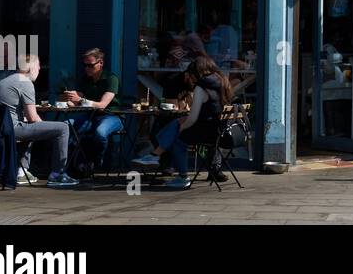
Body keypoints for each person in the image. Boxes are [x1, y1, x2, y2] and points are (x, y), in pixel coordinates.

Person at [131, 56, 231, 190]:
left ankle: (180, 175)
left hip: (207, 133)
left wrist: (182, 128)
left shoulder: (201, 87)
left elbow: (193, 118)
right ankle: (154, 155)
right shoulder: (222, 83)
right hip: (217, 130)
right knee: (177, 122)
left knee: (178, 138)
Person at [0, 54, 79, 188]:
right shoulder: (25, 82)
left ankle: (20, 171)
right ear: (31, 67)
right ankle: (58, 174)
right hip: (11, 129)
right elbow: (33, 118)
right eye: (38, 66)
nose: (40, 70)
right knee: (63, 128)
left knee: (30, 128)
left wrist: (41, 129)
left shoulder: (5, 81)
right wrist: (47, 131)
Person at [60, 47, 125, 171]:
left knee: (100, 132)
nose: (86, 69)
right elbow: (79, 101)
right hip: (91, 116)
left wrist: (79, 100)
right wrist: (67, 100)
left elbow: (102, 105)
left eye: (90, 65)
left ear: (100, 63)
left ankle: (97, 161)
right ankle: (66, 165)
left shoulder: (111, 79)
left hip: (112, 115)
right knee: (65, 126)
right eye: (84, 65)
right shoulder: (86, 79)